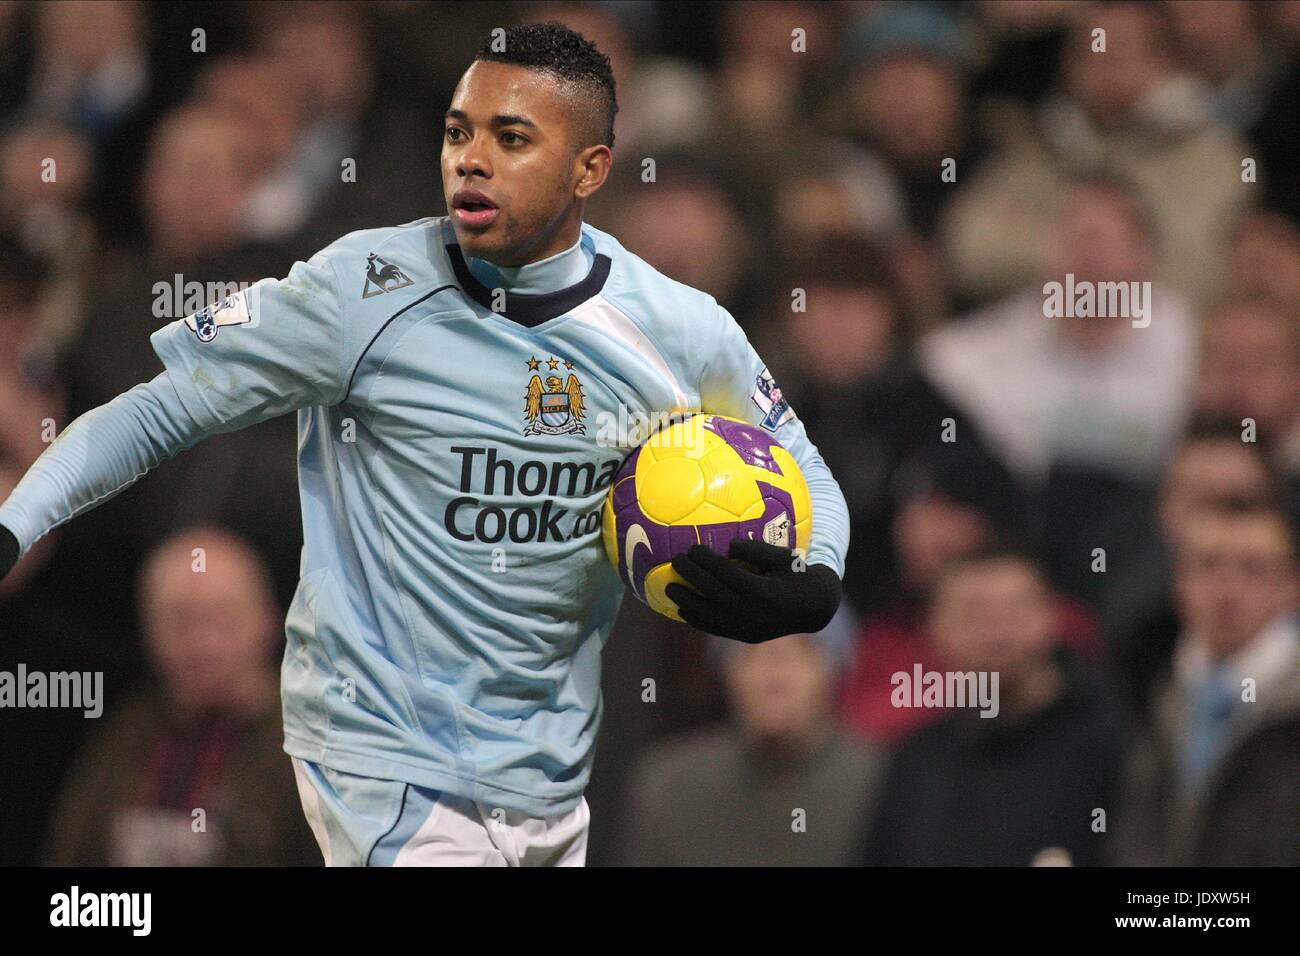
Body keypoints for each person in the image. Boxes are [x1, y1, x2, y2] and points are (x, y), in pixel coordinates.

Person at [0, 22, 850, 867]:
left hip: (549, 774)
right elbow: (153, 413)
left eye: (510, 137)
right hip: (382, 757)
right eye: (457, 132)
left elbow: (801, 463)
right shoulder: (361, 292)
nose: (469, 159)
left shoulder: (678, 329)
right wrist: (16, 523)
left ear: (591, 167)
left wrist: (815, 580)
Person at [46, 528, 320, 866]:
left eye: (224, 620)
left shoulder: (312, 748)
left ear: (268, 619)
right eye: (181, 623)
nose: (204, 645)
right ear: (149, 631)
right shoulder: (129, 731)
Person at [862, 544, 1127, 866]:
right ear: (936, 628)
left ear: (1052, 616)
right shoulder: (918, 760)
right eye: (974, 614)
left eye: (1014, 611)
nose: (997, 632)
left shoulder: (1115, 744)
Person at [1110, 504, 1300, 866]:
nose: (1227, 590)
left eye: (1253, 568)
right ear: (1178, 581)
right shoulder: (1146, 687)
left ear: (1291, 585)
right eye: (1208, 565)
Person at [623, 629, 882, 867]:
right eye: (752, 651)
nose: (775, 678)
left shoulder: (879, 784)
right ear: (726, 672)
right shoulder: (669, 785)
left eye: (801, 652)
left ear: (835, 670)